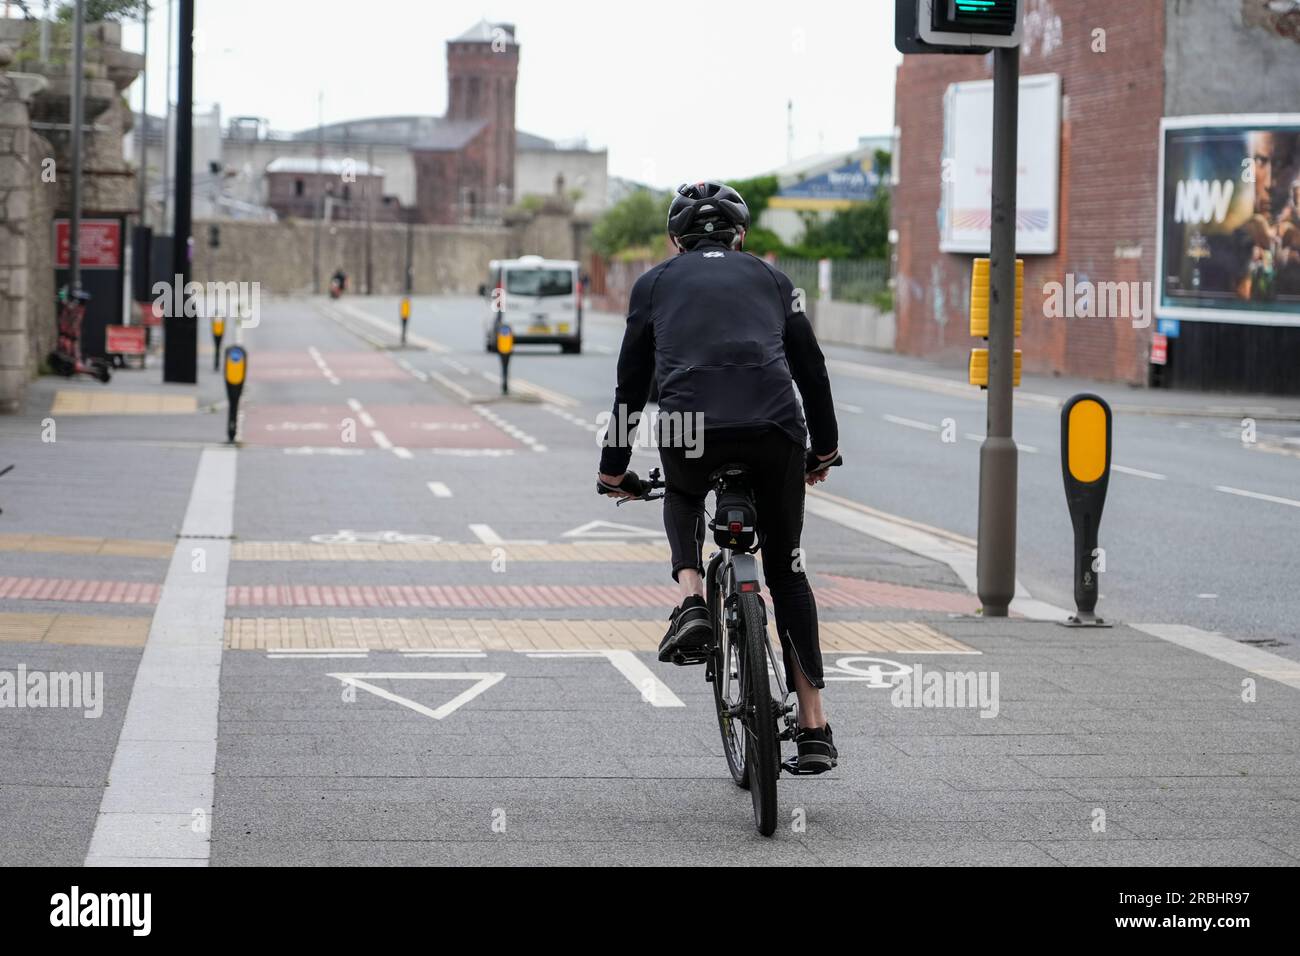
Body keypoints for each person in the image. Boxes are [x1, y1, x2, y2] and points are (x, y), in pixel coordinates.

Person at [596, 181, 841, 773]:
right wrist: (824, 451)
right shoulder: (772, 279)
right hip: (774, 428)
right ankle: (813, 727)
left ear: (674, 240)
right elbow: (811, 367)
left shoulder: (653, 284)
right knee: (787, 572)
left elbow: (631, 384)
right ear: (741, 235)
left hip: (690, 427)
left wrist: (613, 469)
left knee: (680, 490)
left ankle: (692, 599)